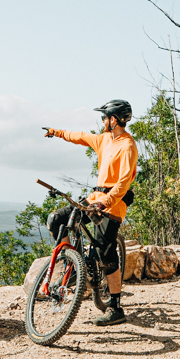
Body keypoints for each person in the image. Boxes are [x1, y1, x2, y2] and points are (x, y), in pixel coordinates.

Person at [42, 99, 138, 326]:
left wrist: (106, 202)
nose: (103, 121)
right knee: (57, 219)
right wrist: (56, 132)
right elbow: (81, 137)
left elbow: (124, 182)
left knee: (106, 254)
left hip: (113, 204)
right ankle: (73, 265)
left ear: (114, 119)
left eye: (105, 117)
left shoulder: (128, 145)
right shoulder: (104, 139)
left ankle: (115, 308)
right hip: (94, 199)